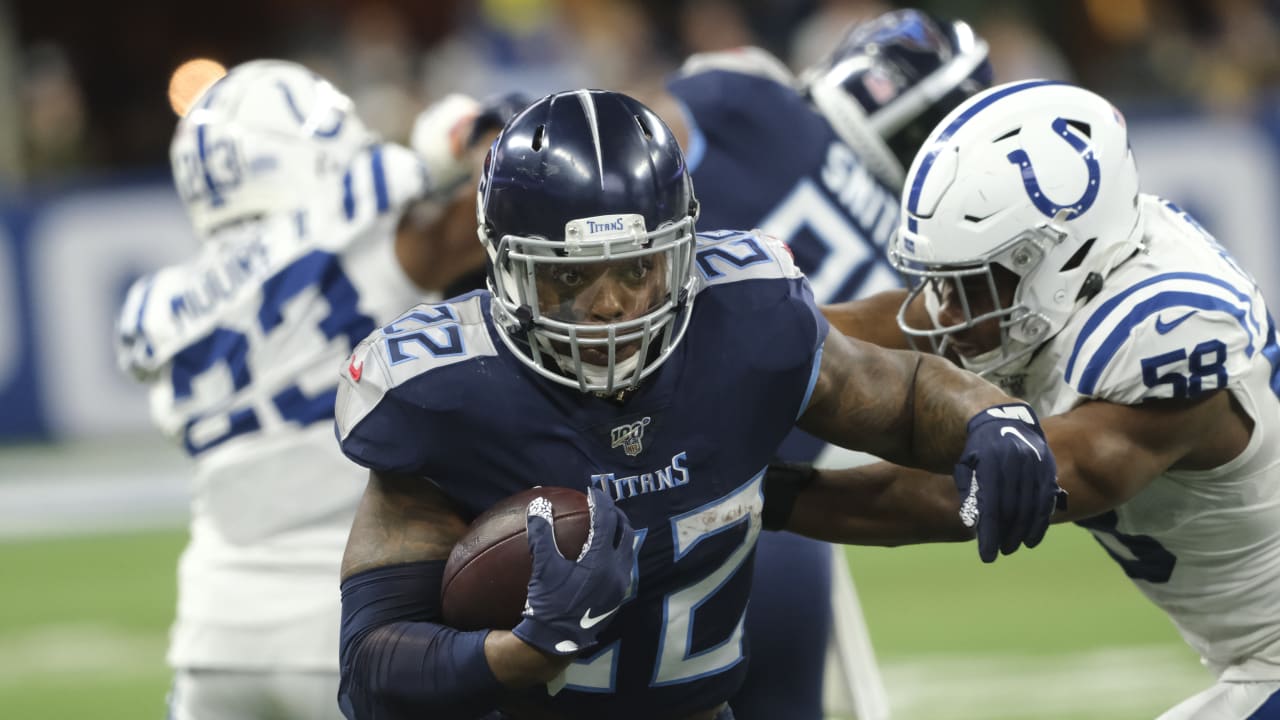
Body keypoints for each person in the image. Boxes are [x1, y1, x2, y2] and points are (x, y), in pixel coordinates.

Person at [332, 88, 1064, 720]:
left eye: (637, 268)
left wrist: (987, 413)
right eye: (567, 280)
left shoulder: (746, 314)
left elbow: (899, 394)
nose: (610, 305)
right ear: (505, 267)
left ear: (682, 250)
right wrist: (526, 649)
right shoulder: (439, 391)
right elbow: (370, 670)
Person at [805, 79, 1280, 719]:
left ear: (1054, 262)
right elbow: (891, 327)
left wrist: (753, 499)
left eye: (967, 285)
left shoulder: (1164, 340)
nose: (944, 311)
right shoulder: (1083, 272)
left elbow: (962, 494)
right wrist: (758, 329)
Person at [642, 9, 995, 719]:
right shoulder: (929, 254)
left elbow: (603, 154)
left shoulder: (750, 98)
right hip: (766, 529)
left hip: (607, 479)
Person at [114, 59, 489, 720]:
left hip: (213, 633)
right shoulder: (366, 251)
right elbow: (486, 213)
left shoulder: (163, 303)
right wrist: (469, 139)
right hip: (346, 619)